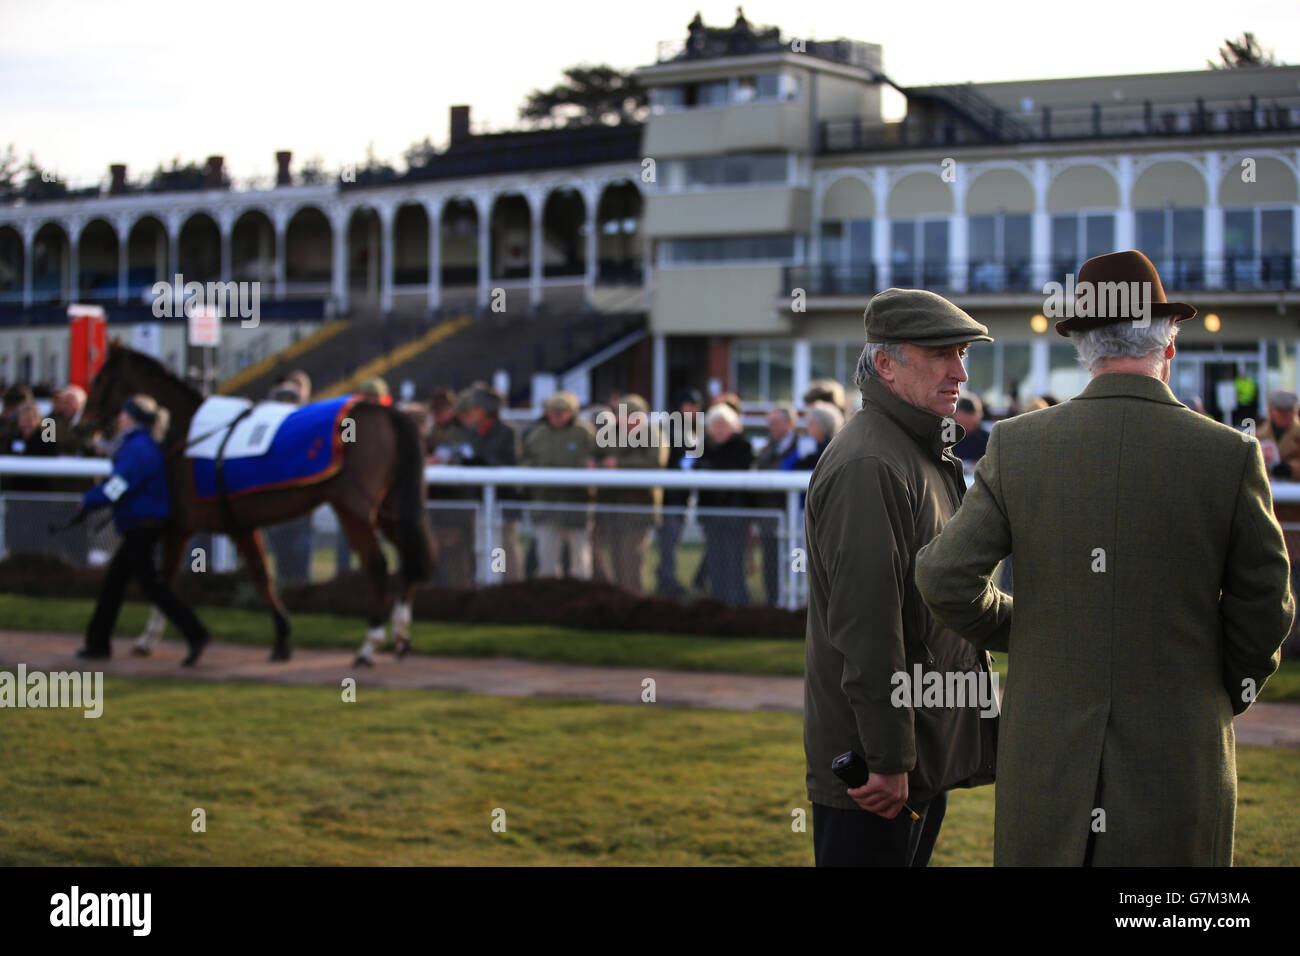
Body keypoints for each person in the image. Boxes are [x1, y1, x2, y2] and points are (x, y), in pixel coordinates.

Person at [915, 250, 1295, 866]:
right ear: (1169, 346)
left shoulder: (1019, 446)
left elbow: (944, 576)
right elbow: (1267, 606)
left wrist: (1037, 629)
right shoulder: (1228, 455)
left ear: (1084, 348)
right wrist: (1218, 687)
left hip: (1047, 753)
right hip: (1181, 749)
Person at [804, 288, 997, 867]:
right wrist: (888, 758)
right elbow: (867, 626)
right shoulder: (872, 462)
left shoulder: (915, 449)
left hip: (914, 748)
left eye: (962, 353)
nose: (959, 371)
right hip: (877, 769)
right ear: (886, 364)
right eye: (941, 353)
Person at [72, 394, 211, 665]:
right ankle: (98, 643)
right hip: (141, 524)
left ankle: (196, 633)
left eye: (124, 414)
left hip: (141, 526)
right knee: (116, 584)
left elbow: (119, 485)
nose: (119, 417)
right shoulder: (141, 444)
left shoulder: (138, 447)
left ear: (131, 417)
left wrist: (88, 501)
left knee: (151, 587)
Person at [592, 394, 665, 594]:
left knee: (631, 562)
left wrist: (619, 464)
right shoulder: (610, 434)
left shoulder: (653, 434)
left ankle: (635, 606)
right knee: (616, 563)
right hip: (613, 511)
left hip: (638, 512)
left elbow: (654, 463)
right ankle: (620, 607)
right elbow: (597, 454)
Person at [520, 391, 595, 579]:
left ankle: (583, 595)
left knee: (580, 558)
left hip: (577, 503)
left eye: (562, 412)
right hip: (545, 503)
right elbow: (523, 461)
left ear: (572, 412)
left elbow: (597, 459)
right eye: (553, 412)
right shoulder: (537, 434)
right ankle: (552, 597)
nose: (557, 416)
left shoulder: (584, 433)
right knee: (546, 557)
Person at [694, 403, 753, 606]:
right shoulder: (704, 447)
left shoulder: (742, 446)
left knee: (734, 561)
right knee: (714, 560)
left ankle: (737, 603)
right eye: (715, 426)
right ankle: (718, 603)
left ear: (732, 427)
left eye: (723, 426)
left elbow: (735, 469)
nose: (718, 430)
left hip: (735, 515)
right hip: (711, 515)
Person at [656, 388, 702, 598]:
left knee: (673, 541)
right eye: (688, 406)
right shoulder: (670, 428)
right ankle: (667, 581)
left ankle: (667, 579)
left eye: (695, 406)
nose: (692, 410)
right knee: (668, 541)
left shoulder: (691, 429)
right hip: (669, 498)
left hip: (680, 497)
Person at [753, 405, 799, 606]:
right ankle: (773, 604)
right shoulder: (767, 446)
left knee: (797, 562)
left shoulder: (801, 445)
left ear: (789, 423)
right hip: (769, 516)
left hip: (793, 517)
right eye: (769, 423)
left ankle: (796, 603)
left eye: (775, 422)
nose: (771, 427)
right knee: (770, 562)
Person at [1255, 389, 1300, 479]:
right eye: (1281, 411)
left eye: (1290, 410)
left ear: (1295, 411)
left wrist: (1290, 469)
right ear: (1270, 411)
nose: (1286, 415)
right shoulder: (1258, 435)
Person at [950, 395, 989, 468]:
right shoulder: (947, 437)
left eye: (970, 423)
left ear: (978, 417)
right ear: (955, 416)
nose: (966, 426)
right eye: (962, 422)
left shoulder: (987, 439)